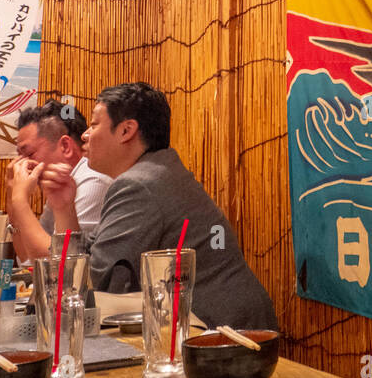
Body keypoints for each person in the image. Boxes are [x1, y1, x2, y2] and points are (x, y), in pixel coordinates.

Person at [39, 82, 278, 331]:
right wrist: (63, 208)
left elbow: (94, 288)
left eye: (95, 124)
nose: (86, 135)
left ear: (126, 131)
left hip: (223, 332)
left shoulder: (139, 184)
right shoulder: (154, 171)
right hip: (219, 323)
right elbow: (91, 266)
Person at [4, 100, 111, 262]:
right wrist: (12, 200)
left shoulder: (92, 179)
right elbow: (26, 258)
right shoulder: (60, 186)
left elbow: (56, 265)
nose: (21, 164)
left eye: (29, 154)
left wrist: (19, 200)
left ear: (66, 146)